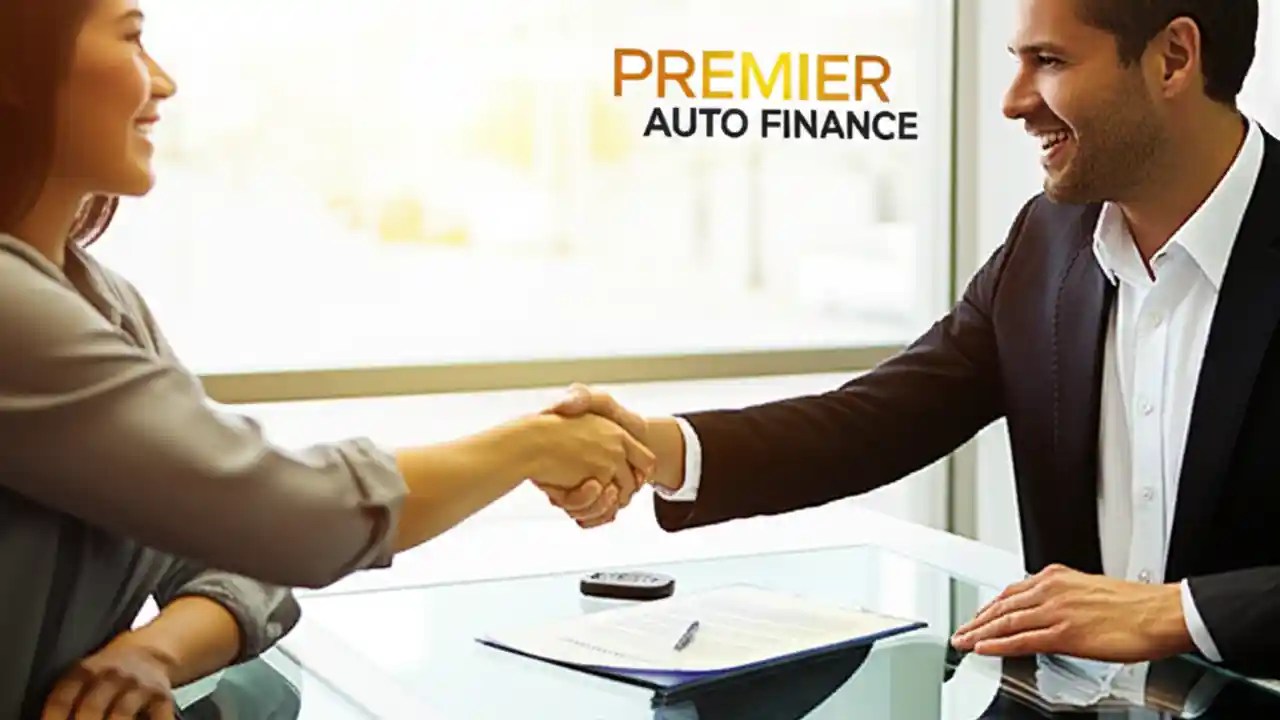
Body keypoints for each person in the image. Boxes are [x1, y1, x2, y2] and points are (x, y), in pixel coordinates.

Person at [545, 0, 1280, 678]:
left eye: (1049, 62)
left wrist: (1179, 613)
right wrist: (652, 449)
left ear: (1174, 59)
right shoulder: (1047, 242)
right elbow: (878, 421)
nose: (1013, 100)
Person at [0, 1, 650, 717]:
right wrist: (532, 445)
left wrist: (153, 651)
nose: (162, 83)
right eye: (131, 39)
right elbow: (288, 516)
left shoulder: (103, 301)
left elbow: (237, 548)